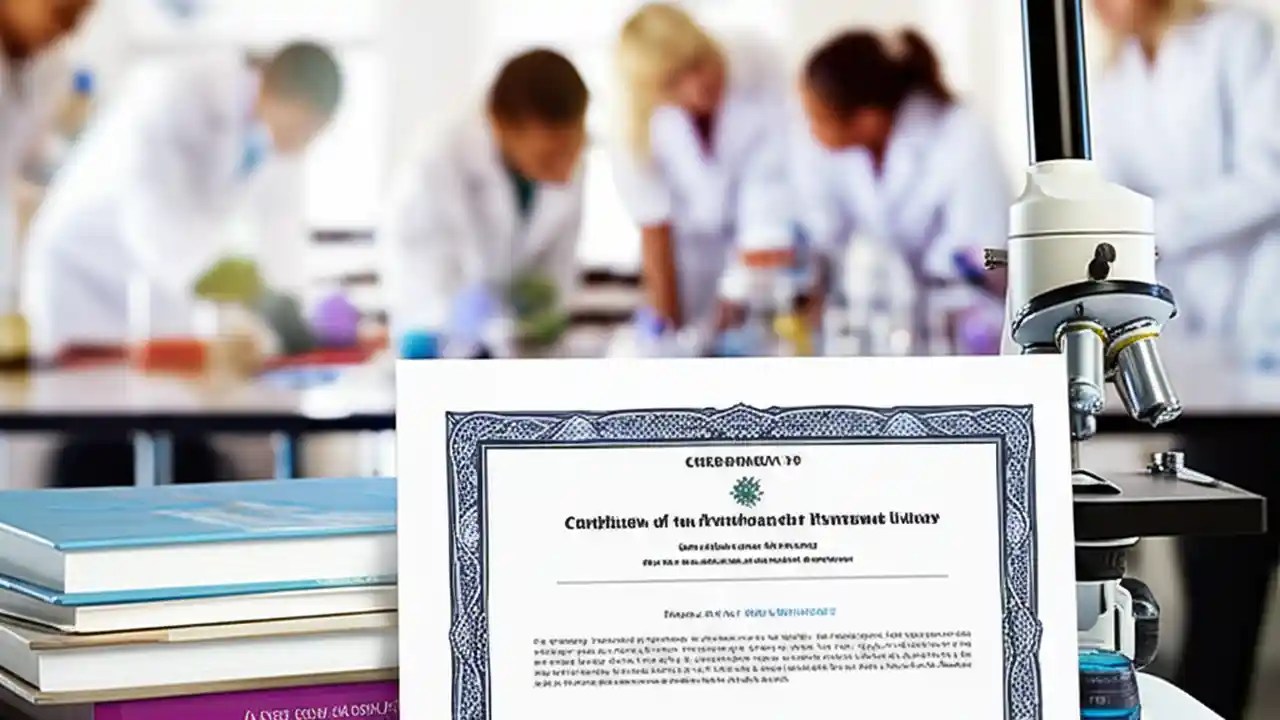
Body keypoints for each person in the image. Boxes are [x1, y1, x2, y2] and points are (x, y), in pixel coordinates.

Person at [22, 41, 343, 486]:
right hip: (84, 275)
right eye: (308, 127)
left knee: (171, 423)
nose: (305, 141)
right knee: (98, 435)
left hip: (149, 284)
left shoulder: (251, 132)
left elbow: (259, 234)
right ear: (284, 95)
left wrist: (278, 299)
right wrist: (259, 297)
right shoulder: (184, 95)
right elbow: (160, 228)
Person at [1090, 2, 1280, 717]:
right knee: (1211, 558)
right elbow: (1106, 194)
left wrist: (1151, 225)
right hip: (1193, 338)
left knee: (1223, 558)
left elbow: (1272, 173)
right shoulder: (1115, 77)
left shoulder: (1236, 39)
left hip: (1264, 324)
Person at [794, 29, 1010, 356]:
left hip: (971, 325)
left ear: (868, 119)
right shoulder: (846, 155)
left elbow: (989, 255)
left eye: (820, 119)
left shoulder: (963, 137)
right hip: (896, 329)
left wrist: (933, 283)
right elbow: (825, 234)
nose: (813, 131)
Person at [381, 49, 589, 359]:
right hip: (440, 343)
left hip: (518, 349)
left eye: (573, 149)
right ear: (500, 124)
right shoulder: (438, 159)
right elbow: (422, 275)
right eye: (550, 157)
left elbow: (556, 265)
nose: (564, 170)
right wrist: (451, 318)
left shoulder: (565, 159)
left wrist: (545, 305)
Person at [612, 2, 794, 341]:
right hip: (689, 264)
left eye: (698, 64)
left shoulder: (758, 60)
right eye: (673, 81)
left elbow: (776, 176)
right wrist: (669, 338)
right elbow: (655, 229)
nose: (696, 85)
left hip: (766, 245)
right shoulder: (633, 128)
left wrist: (745, 279)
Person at [0, 0, 95, 365]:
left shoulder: (52, 71)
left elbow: (25, 155)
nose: (69, 28)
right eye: (60, 10)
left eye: (79, 17)